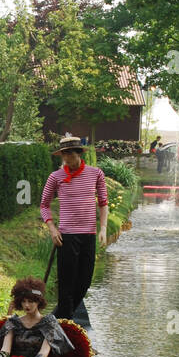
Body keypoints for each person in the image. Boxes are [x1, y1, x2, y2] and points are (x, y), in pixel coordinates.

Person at [39, 135, 109, 321]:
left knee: (85, 281)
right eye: (63, 155)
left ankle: (58, 319)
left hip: (89, 235)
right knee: (66, 285)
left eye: (68, 155)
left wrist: (103, 228)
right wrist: (52, 229)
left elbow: (103, 203)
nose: (65, 159)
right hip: (66, 237)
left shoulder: (96, 174)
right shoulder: (55, 177)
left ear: (77, 153)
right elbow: (44, 205)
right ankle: (64, 323)